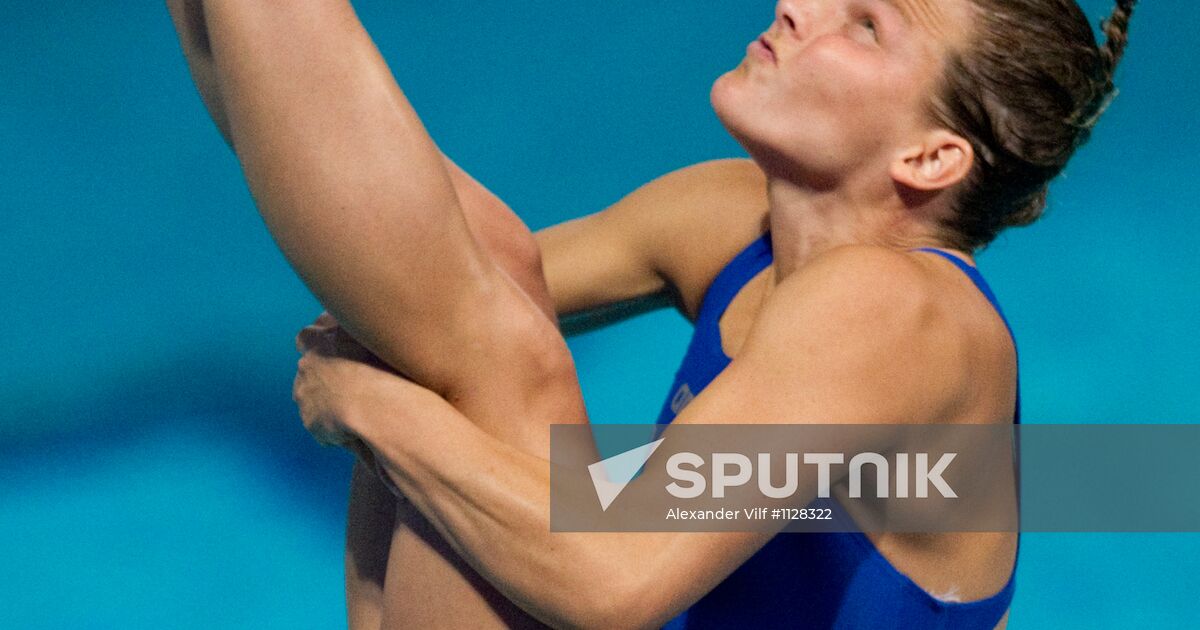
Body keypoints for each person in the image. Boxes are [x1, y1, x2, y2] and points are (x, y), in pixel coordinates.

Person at [170, 0, 1134, 627]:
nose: (797, 8)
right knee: (483, 285)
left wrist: (373, 409)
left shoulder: (908, 312)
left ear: (930, 159)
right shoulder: (727, 216)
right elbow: (407, 269)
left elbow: (614, 583)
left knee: (500, 359)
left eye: (866, 24)